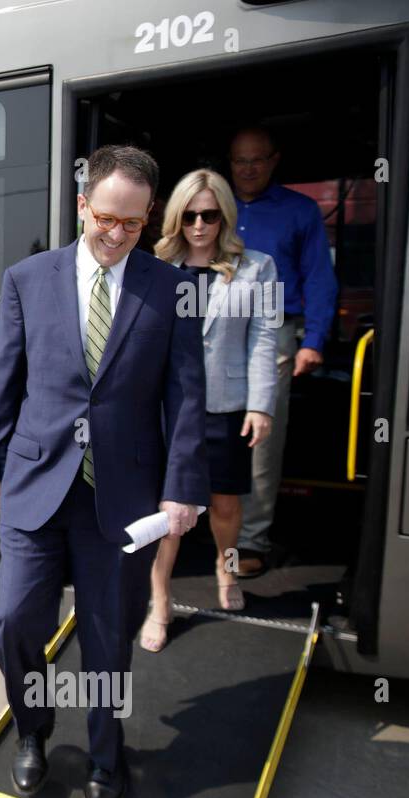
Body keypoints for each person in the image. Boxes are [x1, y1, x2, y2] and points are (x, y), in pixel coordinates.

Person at [0, 145, 209, 798]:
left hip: (123, 496)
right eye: (106, 216)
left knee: (108, 636)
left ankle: (107, 756)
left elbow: (186, 396)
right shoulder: (27, 278)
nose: (116, 233)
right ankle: (33, 729)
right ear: (82, 205)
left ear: (148, 220)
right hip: (34, 479)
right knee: (16, 621)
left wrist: (182, 485)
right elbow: (8, 380)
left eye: (133, 224)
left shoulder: (172, 290)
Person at [140, 169, 279, 652]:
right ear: (176, 218)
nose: (199, 225)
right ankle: (159, 601)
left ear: (225, 216)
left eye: (210, 215)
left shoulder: (258, 267)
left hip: (225, 404)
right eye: (190, 215)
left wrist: (261, 404)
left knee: (224, 503)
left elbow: (265, 337)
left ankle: (227, 567)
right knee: (168, 509)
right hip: (167, 408)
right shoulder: (154, 267)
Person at [227, 126, 339, 576]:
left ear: (274, 161)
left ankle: (250, 540)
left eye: (257, 159)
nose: (248, 168)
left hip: (275, 335)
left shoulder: (301, 211)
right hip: (210, 332)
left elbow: (318, 278)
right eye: (239, 160)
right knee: (203, 431)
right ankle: (199, 523)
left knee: (260, 441)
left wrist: (313, 341)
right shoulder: (210, 208)